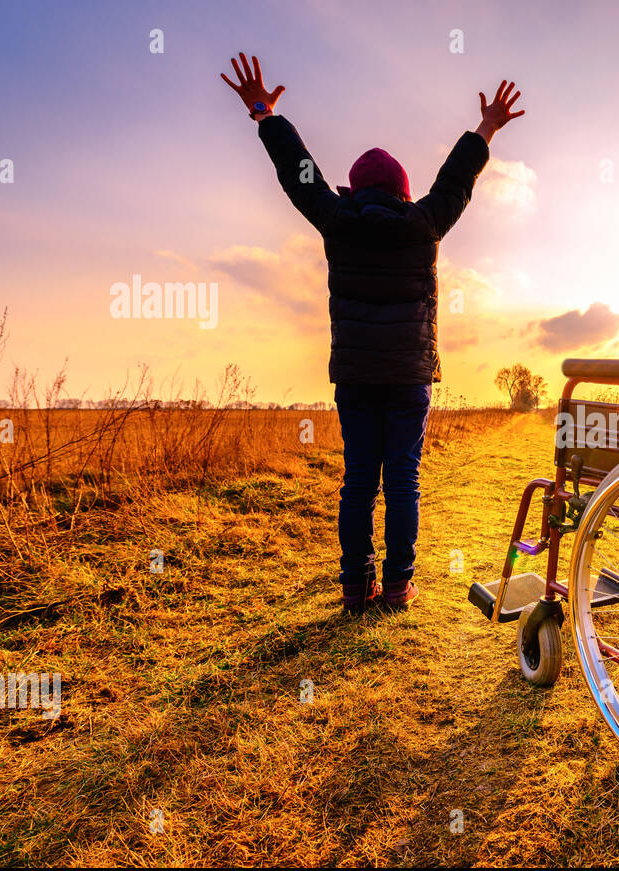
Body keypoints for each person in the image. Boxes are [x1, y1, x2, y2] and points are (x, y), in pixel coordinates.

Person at [220, 53, 525, 613]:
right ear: (404, 190)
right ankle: (398, 585)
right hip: (409, 376)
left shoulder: (337, 220)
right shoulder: (424, 223)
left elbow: (299, 170)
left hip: (357, 375)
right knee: (403, 481)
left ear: (355, 189)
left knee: (359, 480)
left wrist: (265, 114)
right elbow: (456, 180)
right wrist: (486, 127)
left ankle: (356, 587)